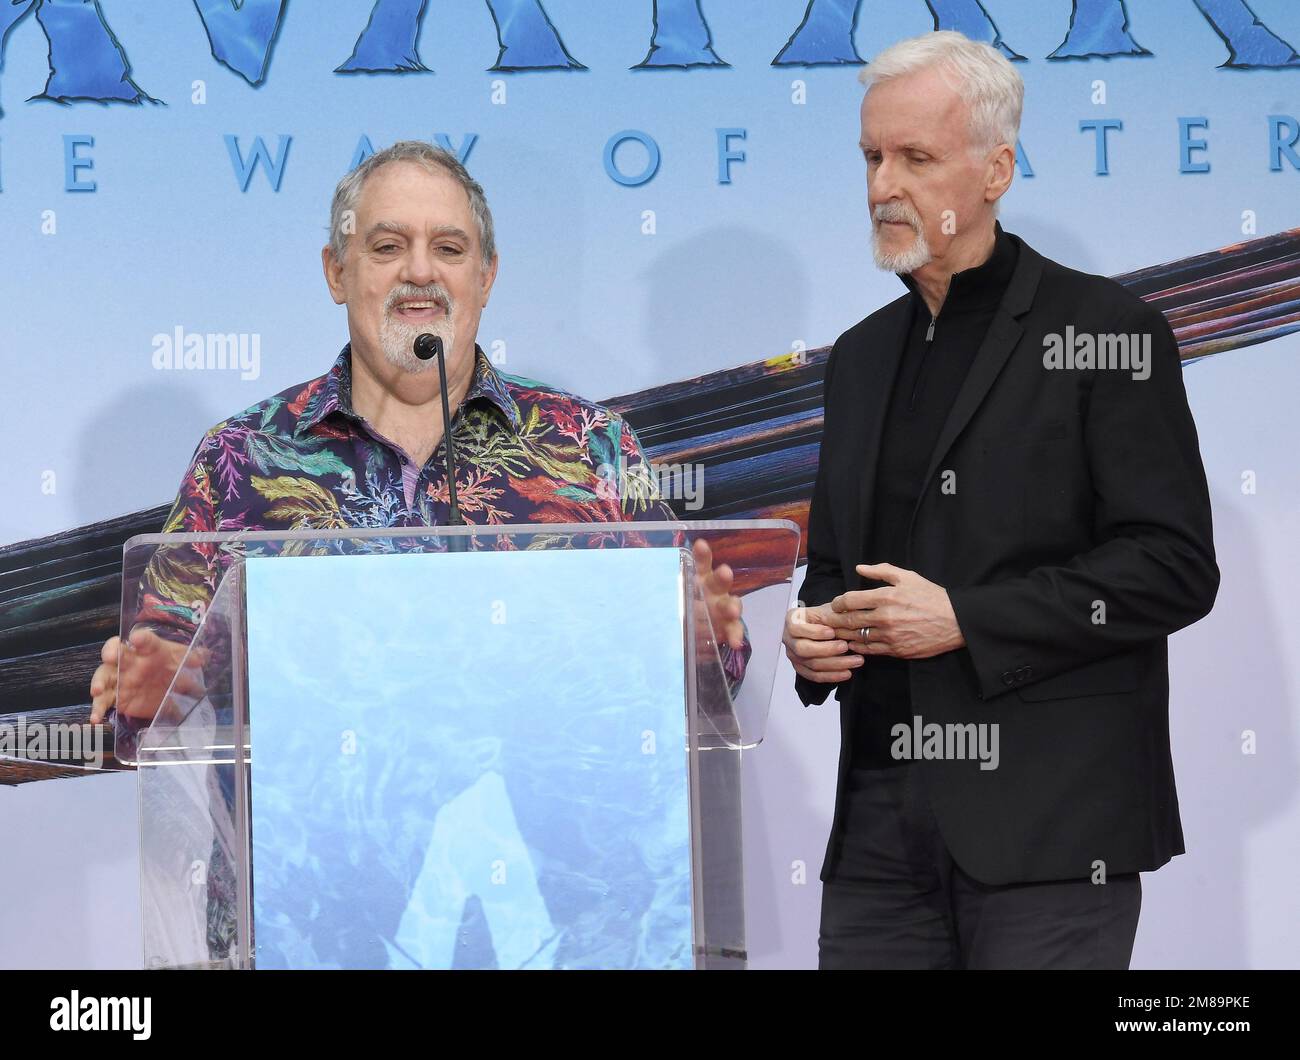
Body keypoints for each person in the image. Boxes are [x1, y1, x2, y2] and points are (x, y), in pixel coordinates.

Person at [782, 31, 1218, 969]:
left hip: (1051, 836)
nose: (880, 187)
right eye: (870, 157)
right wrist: (813, 636)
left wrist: (965, 620)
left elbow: (1173, 566)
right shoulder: (859, 359)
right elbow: (832, 570)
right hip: (876, 839)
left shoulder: (1111, 332)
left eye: (915, 158)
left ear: (997, 170)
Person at [90, 140, 747, 733]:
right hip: (309, 854)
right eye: (387, 246)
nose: (421, 271)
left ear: (485, 277)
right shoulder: (241, 457)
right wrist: (158, 682)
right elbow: (158, 676)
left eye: (450, 249)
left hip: (559, 852)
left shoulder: (590, 443)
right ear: (336, 272)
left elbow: (707, 668)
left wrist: (704, 644)